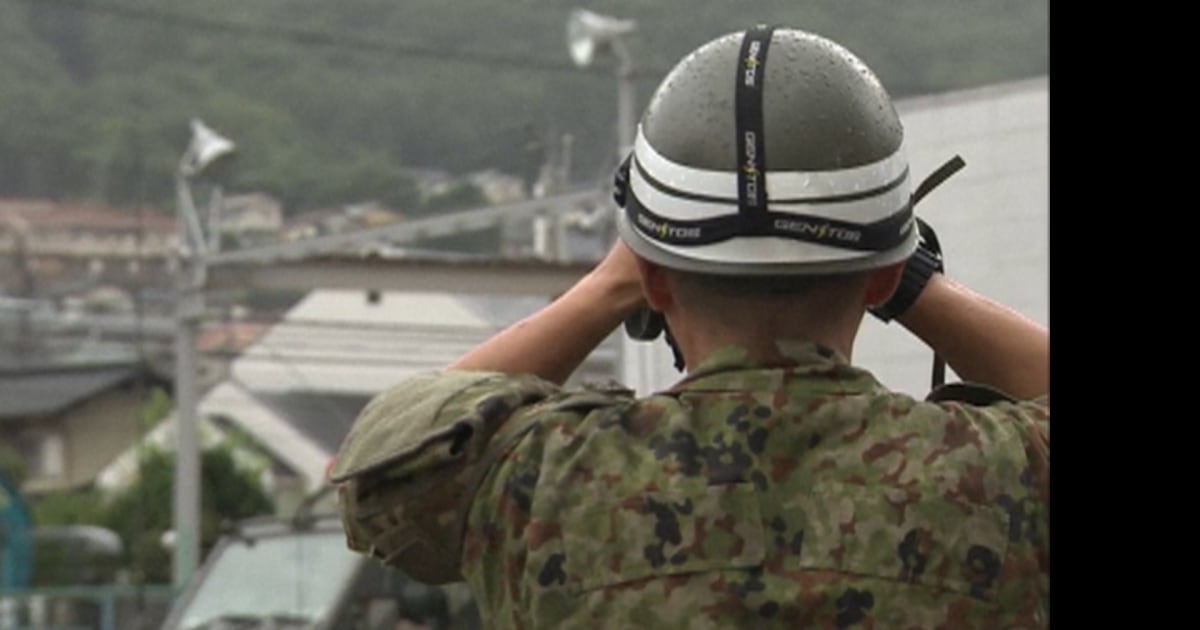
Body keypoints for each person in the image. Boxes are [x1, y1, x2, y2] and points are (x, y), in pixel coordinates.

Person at [330, 25, 1049, 629]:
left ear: (653, 277)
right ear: (882, 277)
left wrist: (611, 282)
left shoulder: (547, 478)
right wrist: (920, 288)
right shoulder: (998, 477)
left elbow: (380, 468)